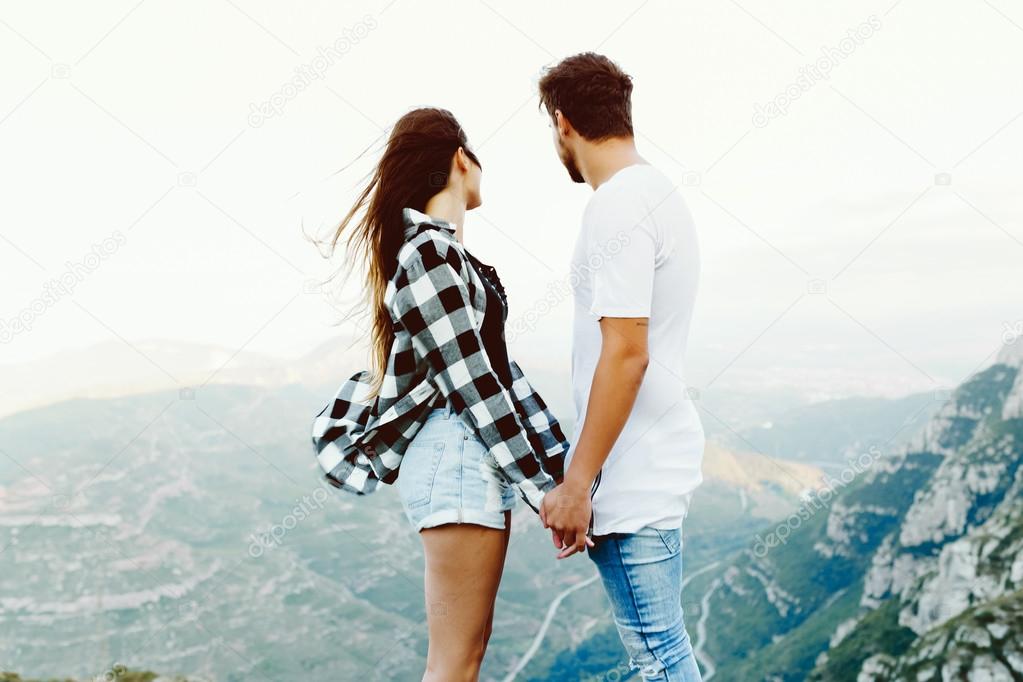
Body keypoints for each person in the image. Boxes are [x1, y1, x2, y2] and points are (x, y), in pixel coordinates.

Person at [310, 107, 569, 682]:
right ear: (460, 158)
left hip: (468, 458)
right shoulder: (428, 256)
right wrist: (543, 489)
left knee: (464, 659)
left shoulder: (445, 257)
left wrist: (559, 474)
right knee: (453, 664)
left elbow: (499, 374)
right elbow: (476, 385)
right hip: (455, 458)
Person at [536, 53, 706, 681]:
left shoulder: (617, 206)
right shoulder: (657, 192)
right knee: (662, 650)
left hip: (633, 472)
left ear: (563, 124)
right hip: (651, 460)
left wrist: (577, 483)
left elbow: (626, 351)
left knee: (656, 657)